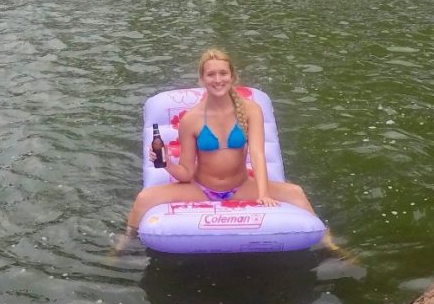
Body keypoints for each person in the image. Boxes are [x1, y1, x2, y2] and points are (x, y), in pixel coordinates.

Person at [124, 47, 320, 238]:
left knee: (296, 193)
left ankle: (330, 246)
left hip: (241, 187)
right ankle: (123, 246)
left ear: (232, 76)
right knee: (143, 199)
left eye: (223, 73)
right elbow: (186, 173)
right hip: (201, 189)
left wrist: (263, 194)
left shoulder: (251, 110)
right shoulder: (191, 119)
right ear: (202, 79)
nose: (218, 80)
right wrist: (166, 163)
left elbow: (258, 154)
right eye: (211, 75)